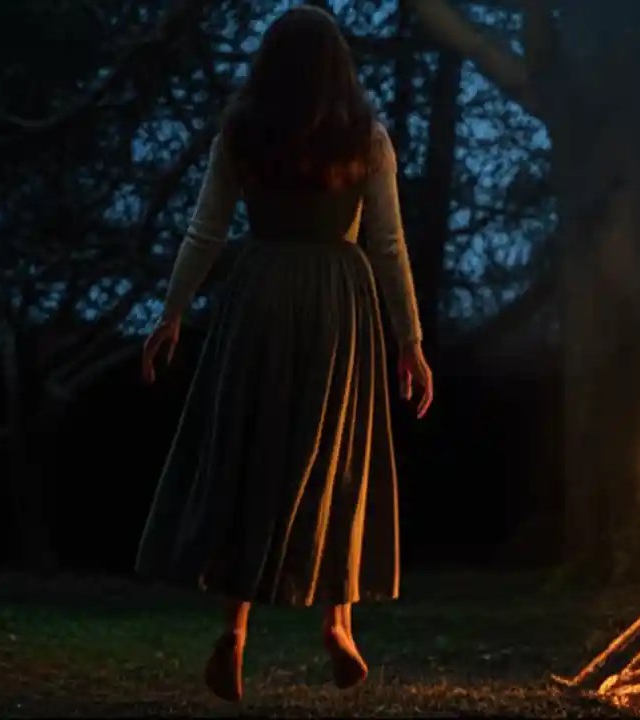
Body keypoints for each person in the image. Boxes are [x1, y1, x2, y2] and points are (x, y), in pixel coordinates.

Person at [135, 5, 433, 703]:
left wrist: (172, 311)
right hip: (340, 302)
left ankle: (235, 634)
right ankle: (338, 624)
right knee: (337, 459)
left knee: (254, 453)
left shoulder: (243, 135)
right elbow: (388, 245)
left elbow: (204, 232)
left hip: (261, 293)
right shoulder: (368, 138)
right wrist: (410, 341)